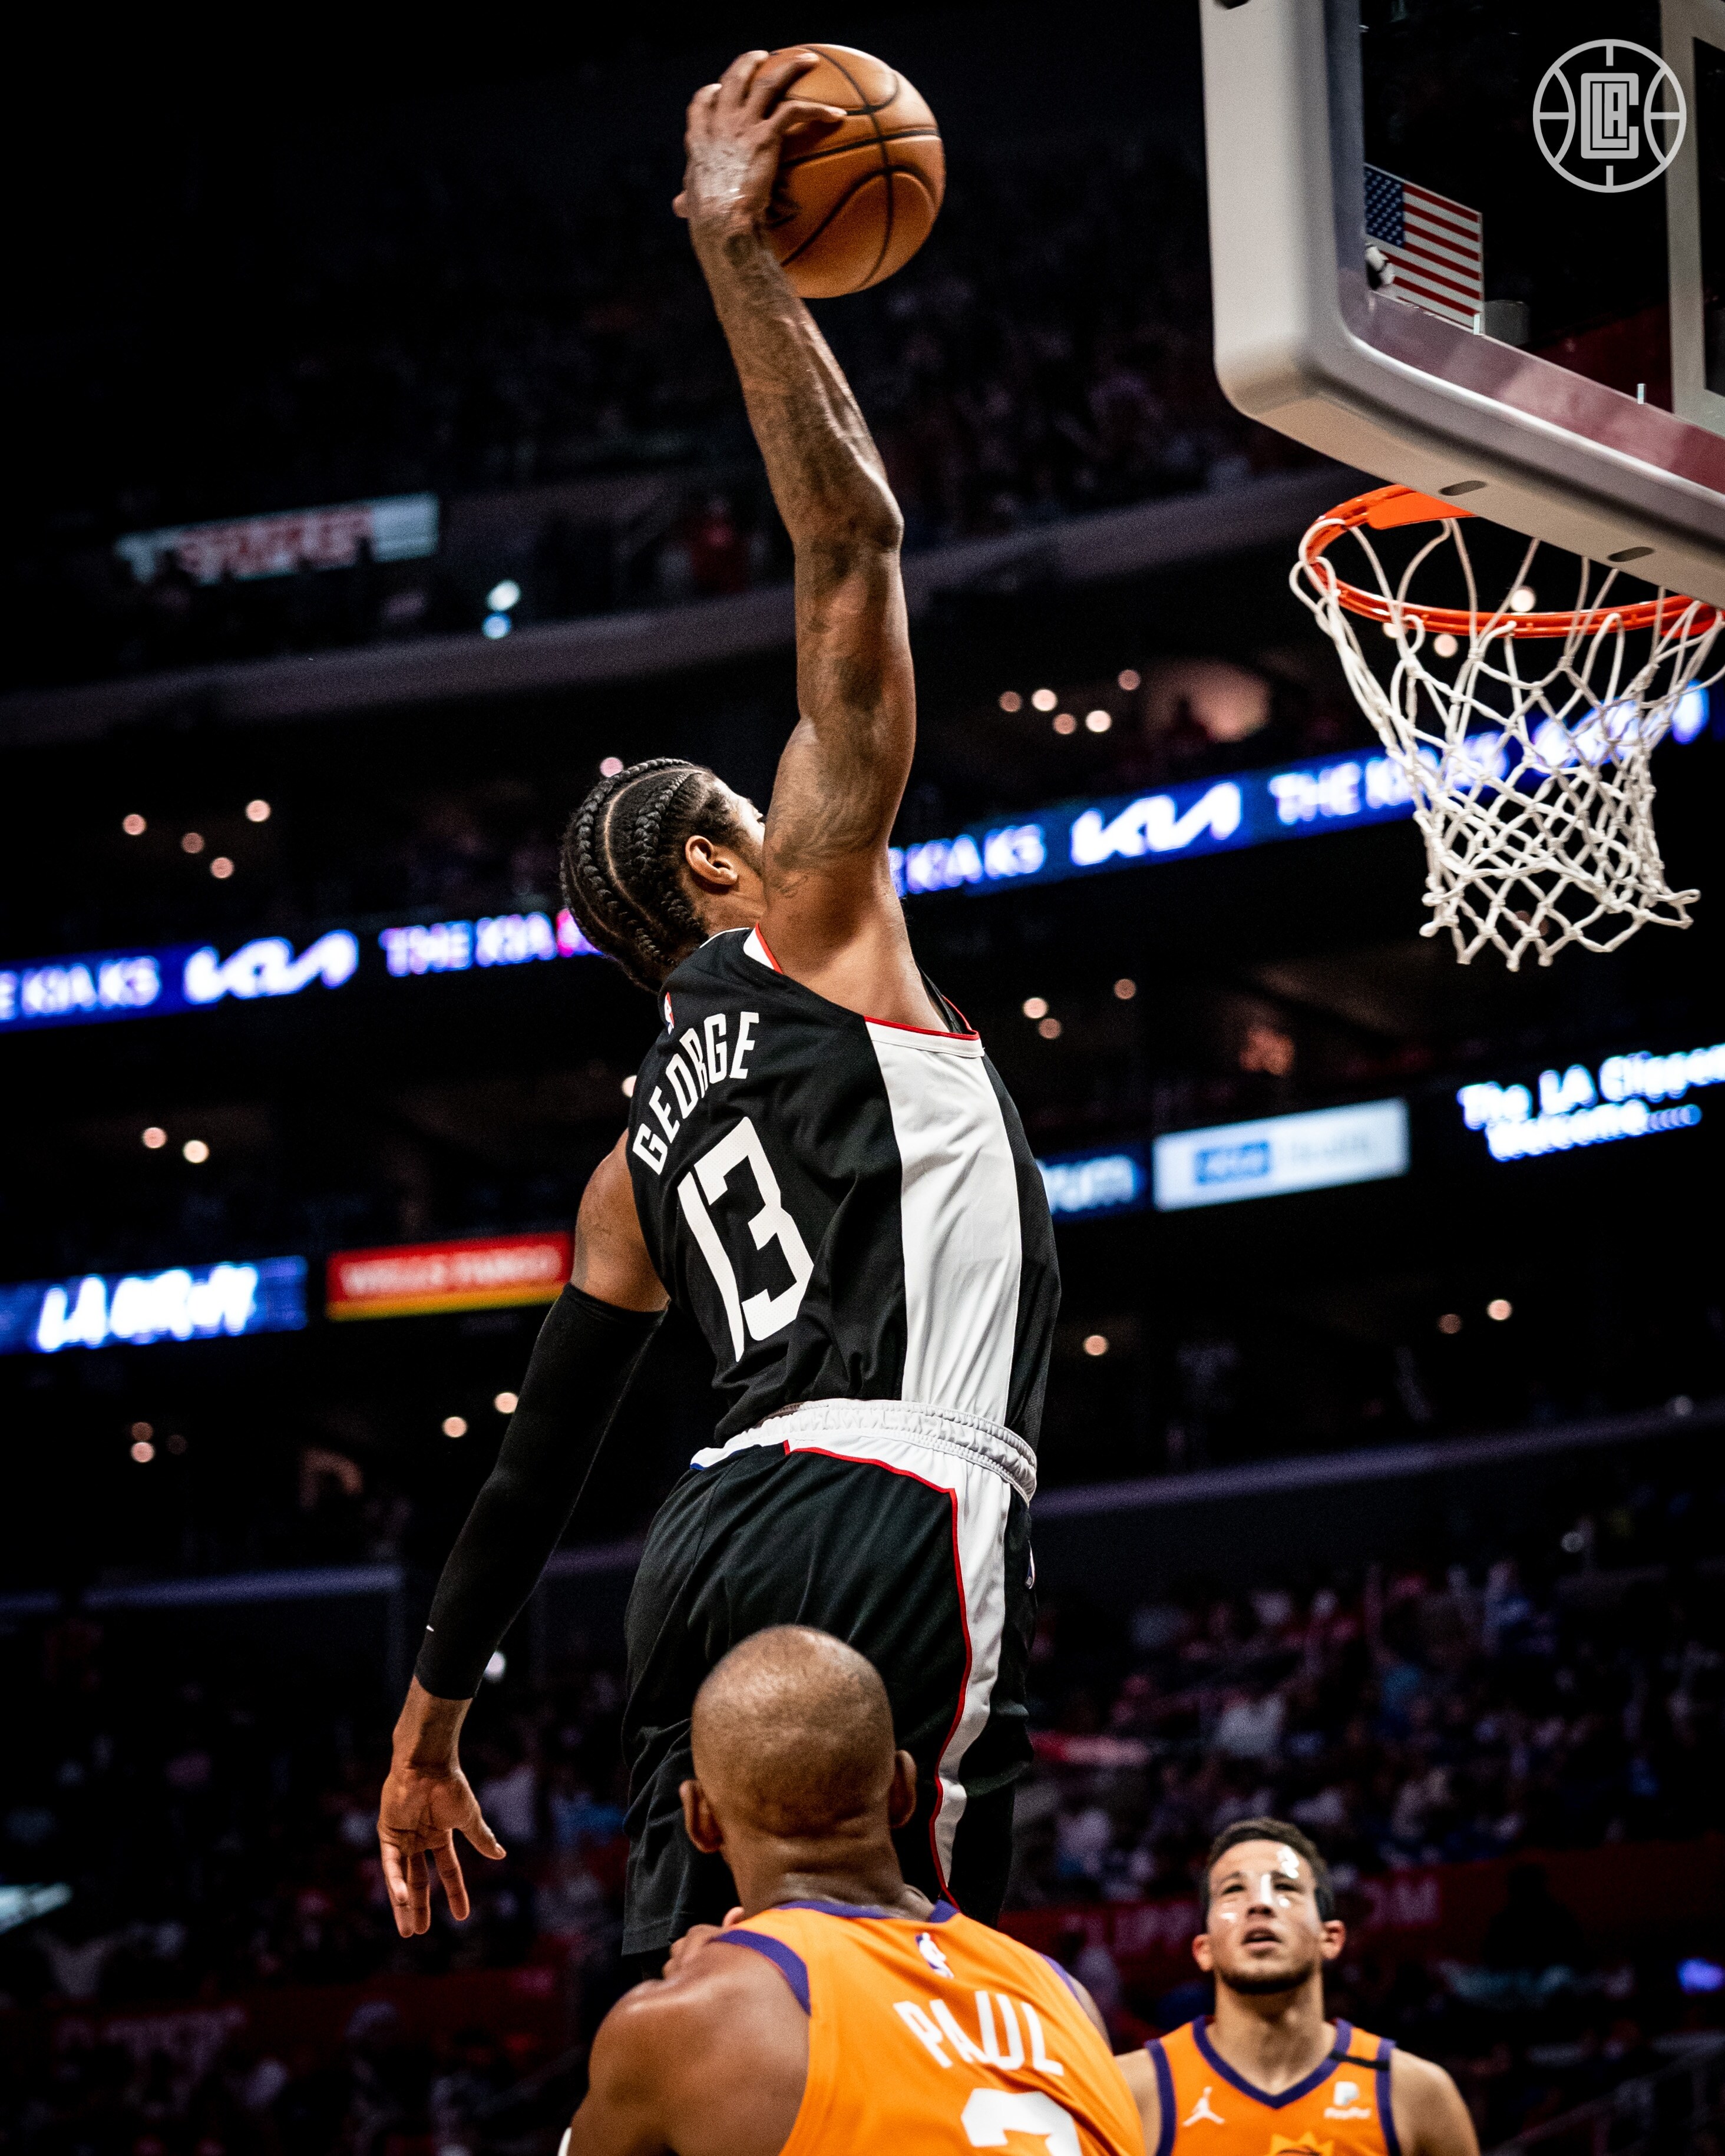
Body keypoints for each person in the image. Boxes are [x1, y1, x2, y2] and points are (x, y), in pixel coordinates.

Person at [376, 50, 1059, 1967]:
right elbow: (852, 546)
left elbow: (533, 1466)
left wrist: (430, 1722)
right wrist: (729, 246)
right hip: (894, 1504)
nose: (796, 813)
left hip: (696, 1557)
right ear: (706, 873)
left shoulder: (626, 1171)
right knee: (919, 2012)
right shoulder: (818, 922)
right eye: (753, 810)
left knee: (709, 2006)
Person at [567, 1626, 1145, 2156]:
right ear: (902, 1790)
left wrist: (707, 1987)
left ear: (699, 1819)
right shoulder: (1065, 1996)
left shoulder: (681, 2024)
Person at [1115, 1820, 1479, 2156]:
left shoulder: (1418, 2095)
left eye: (1285, 1888)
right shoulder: (1127, 2092)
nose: (1260, 1903)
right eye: (1234, 1890)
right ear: (1204, 1950)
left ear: (1331, 1938)